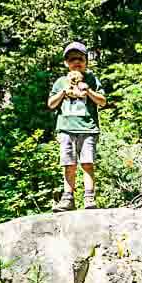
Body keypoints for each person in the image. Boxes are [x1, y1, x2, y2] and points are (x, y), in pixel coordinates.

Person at [47, 41, 106, 211]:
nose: (76, 62)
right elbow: (51, 104)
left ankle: (89, 197)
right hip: (66, 128)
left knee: (87, 163)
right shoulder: (60, 82)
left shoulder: (92, 79)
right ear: (67, 63)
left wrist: (88, 91)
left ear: (86, 61)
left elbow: (102, 101)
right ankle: (68, 198)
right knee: (69, 164)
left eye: (80, 58)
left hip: (88, 128)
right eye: (72, 59)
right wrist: (63, 92)